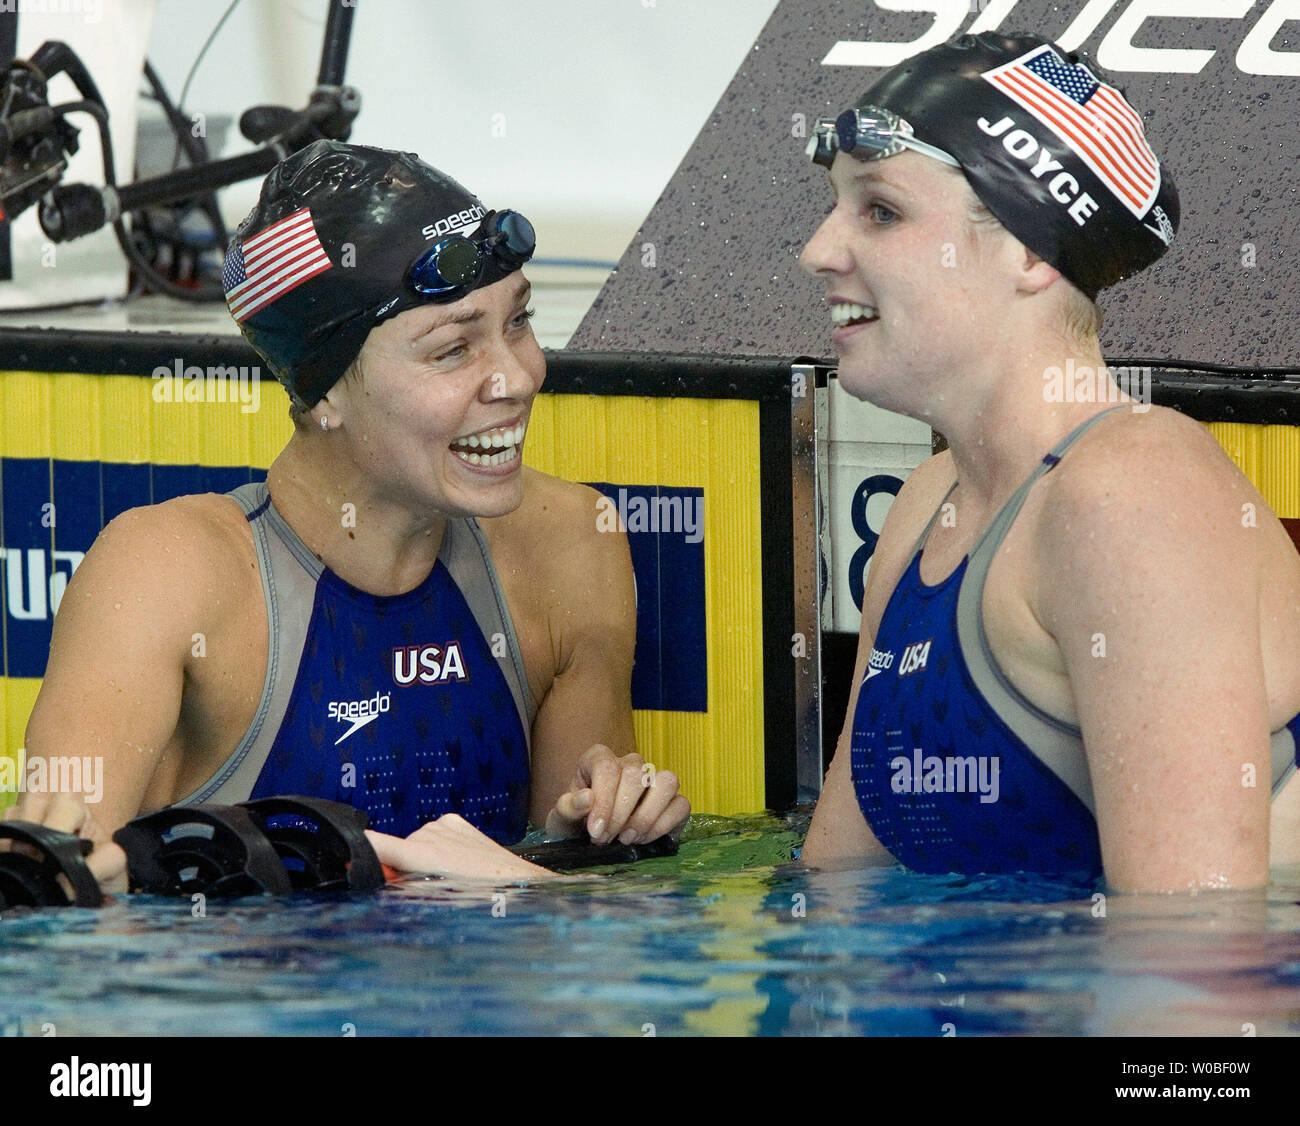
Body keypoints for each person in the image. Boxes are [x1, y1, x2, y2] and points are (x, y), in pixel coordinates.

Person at [6, 140, 689, 889]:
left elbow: (594, 961)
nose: (519, 376)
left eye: (518, 321)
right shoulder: (169, 576)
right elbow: (51, 929)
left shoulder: (566, 546)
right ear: (325, 392)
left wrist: (597, 834)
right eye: (453, 349)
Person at [798, 33, 1300, 891]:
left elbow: (1191, 969)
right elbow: (835, 890)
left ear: (1030, 252)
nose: (817, 249)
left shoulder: (1133, 492)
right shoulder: (927, 505)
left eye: (880, 211)